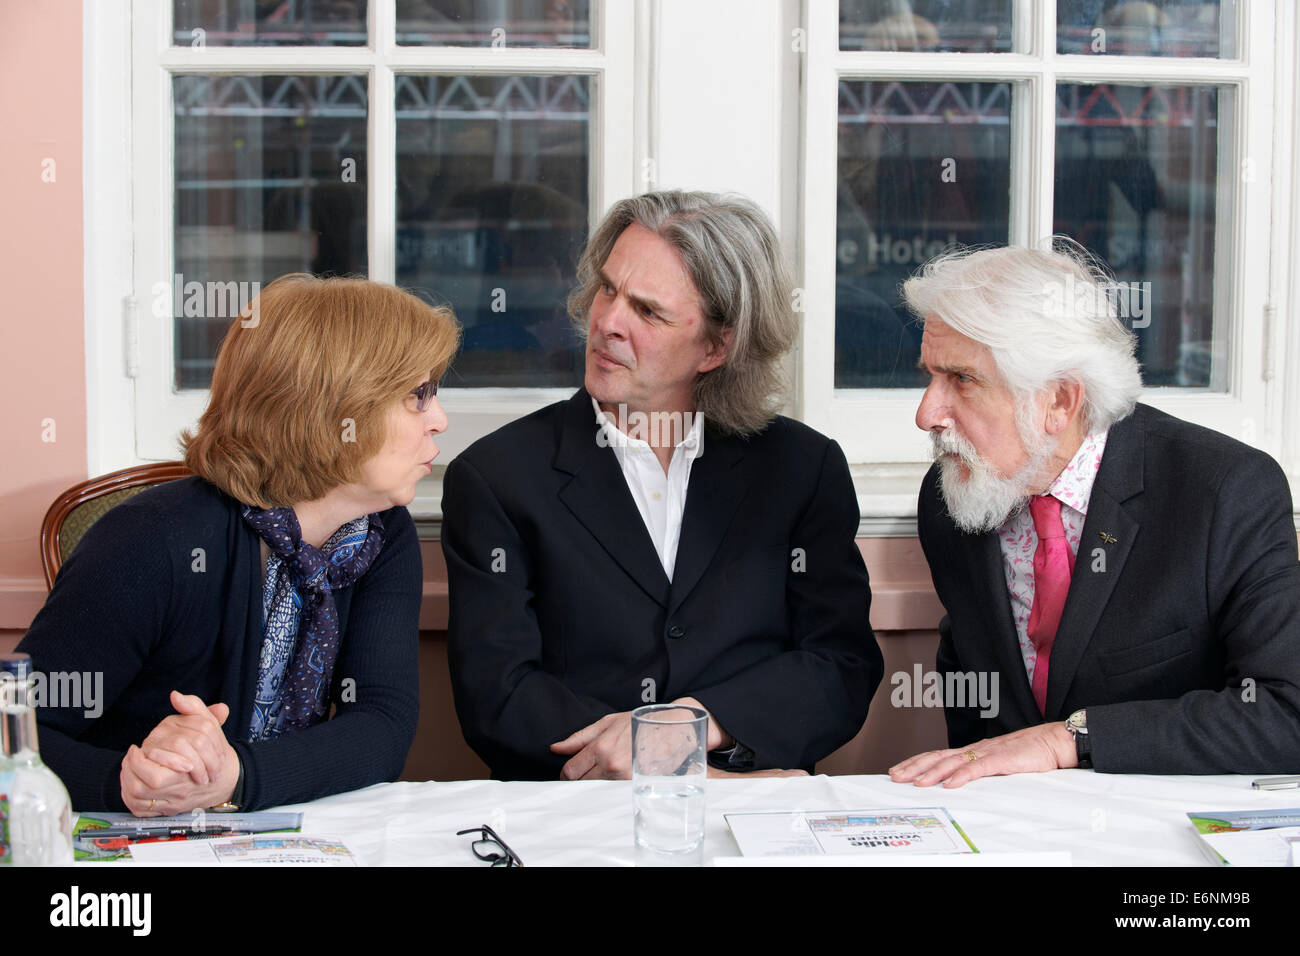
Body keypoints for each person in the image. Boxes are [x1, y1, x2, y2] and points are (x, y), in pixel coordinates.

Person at [442, 190, 883, 781]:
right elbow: (499, 697)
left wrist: (697, 724)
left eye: (648, 312)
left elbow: (840, 665)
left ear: (716, 347)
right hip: (578, 822)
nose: (607, 323)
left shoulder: (803, 469)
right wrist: (679, 775)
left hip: (756, 813)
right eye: (607, 289)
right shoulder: (496, 477)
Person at [18, 274, 459, 814]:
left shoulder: (380, 534)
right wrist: (129, 781)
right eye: (417, 398)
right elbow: (14, 733)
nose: (439, 420)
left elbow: (382, 725)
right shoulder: (152, 541)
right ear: (328, 410)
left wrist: (235, 778)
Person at [889, 243, 1300, 788]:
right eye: (930, 377)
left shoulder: (1225, 491)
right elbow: (973, 692)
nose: (927, 414)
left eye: (962, 380)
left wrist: (1070, 739)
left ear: (1059, 401)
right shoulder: (952, 498)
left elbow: (1285, 714)